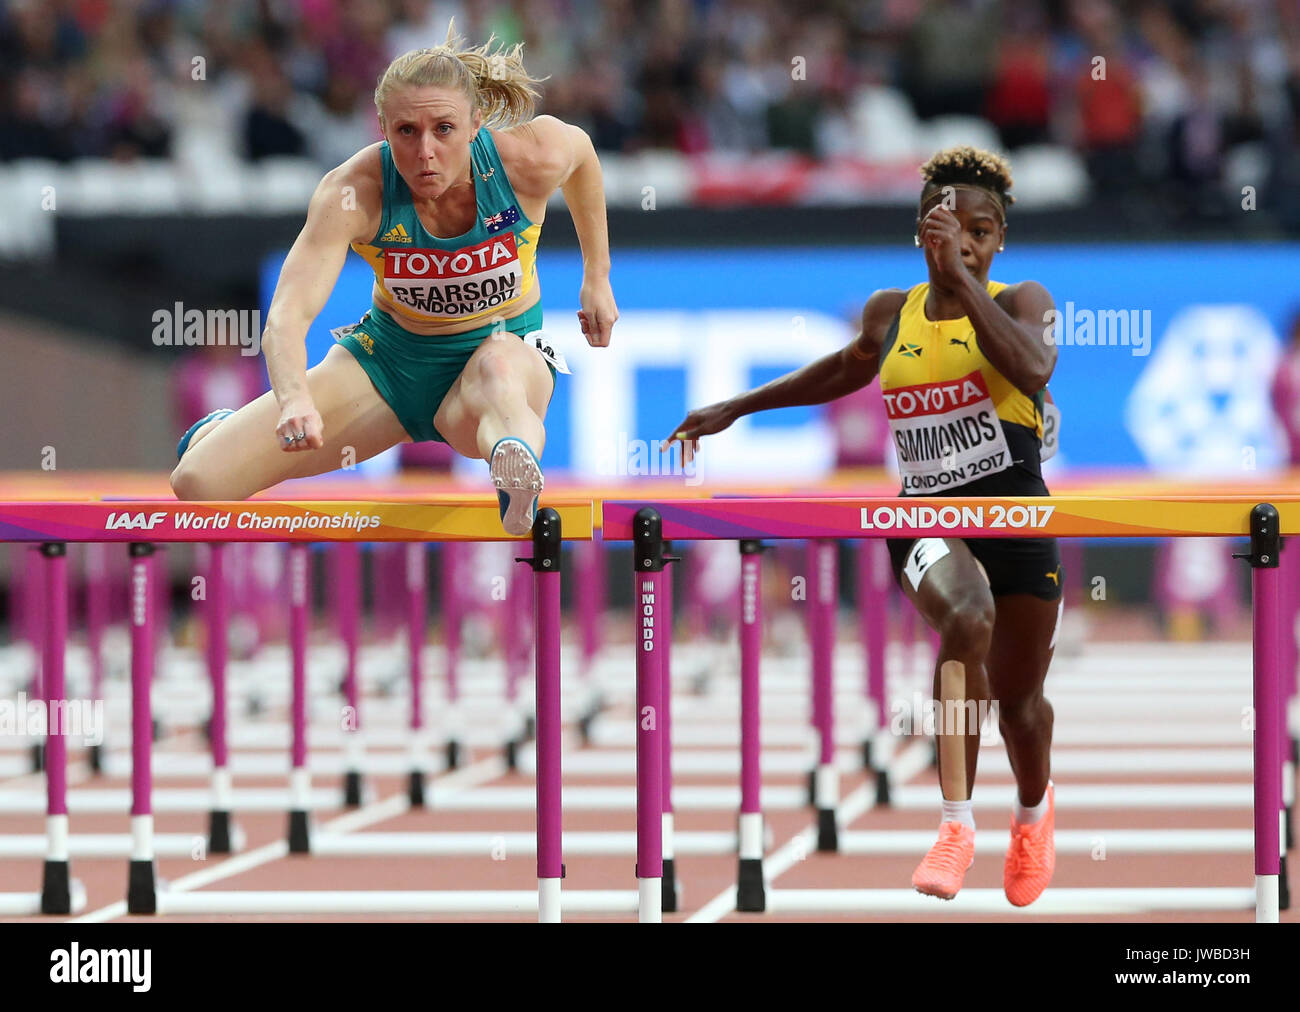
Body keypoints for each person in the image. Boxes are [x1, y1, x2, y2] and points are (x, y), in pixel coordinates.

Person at [666, 147, 1061, 907]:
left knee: (1019, 706)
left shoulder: (1022, 300)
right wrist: (735, 407)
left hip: (1014, 513)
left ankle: (1033, 814)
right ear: (925, 230)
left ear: (999, 240)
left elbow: (1034, 370)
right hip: (924, 516)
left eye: (984, 231)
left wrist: (965, 286)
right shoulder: (890, 313)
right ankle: (954, 825)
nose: (969, 241)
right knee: (966, 617)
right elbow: (842, 369)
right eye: (954, 228)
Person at [171, 25, 618, 535]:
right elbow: (287, 314)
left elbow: (583, 157)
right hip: (390, 368)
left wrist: (597, 277)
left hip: (503, 353)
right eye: (407, 131)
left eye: (443, 129)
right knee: (198, 483)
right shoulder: (352, 192)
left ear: (475, 123)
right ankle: (224, 430)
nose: (425, 151)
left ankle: (514, 474)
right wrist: (294, 399)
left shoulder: (525, 159)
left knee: (497, 368)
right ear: (382, 127)